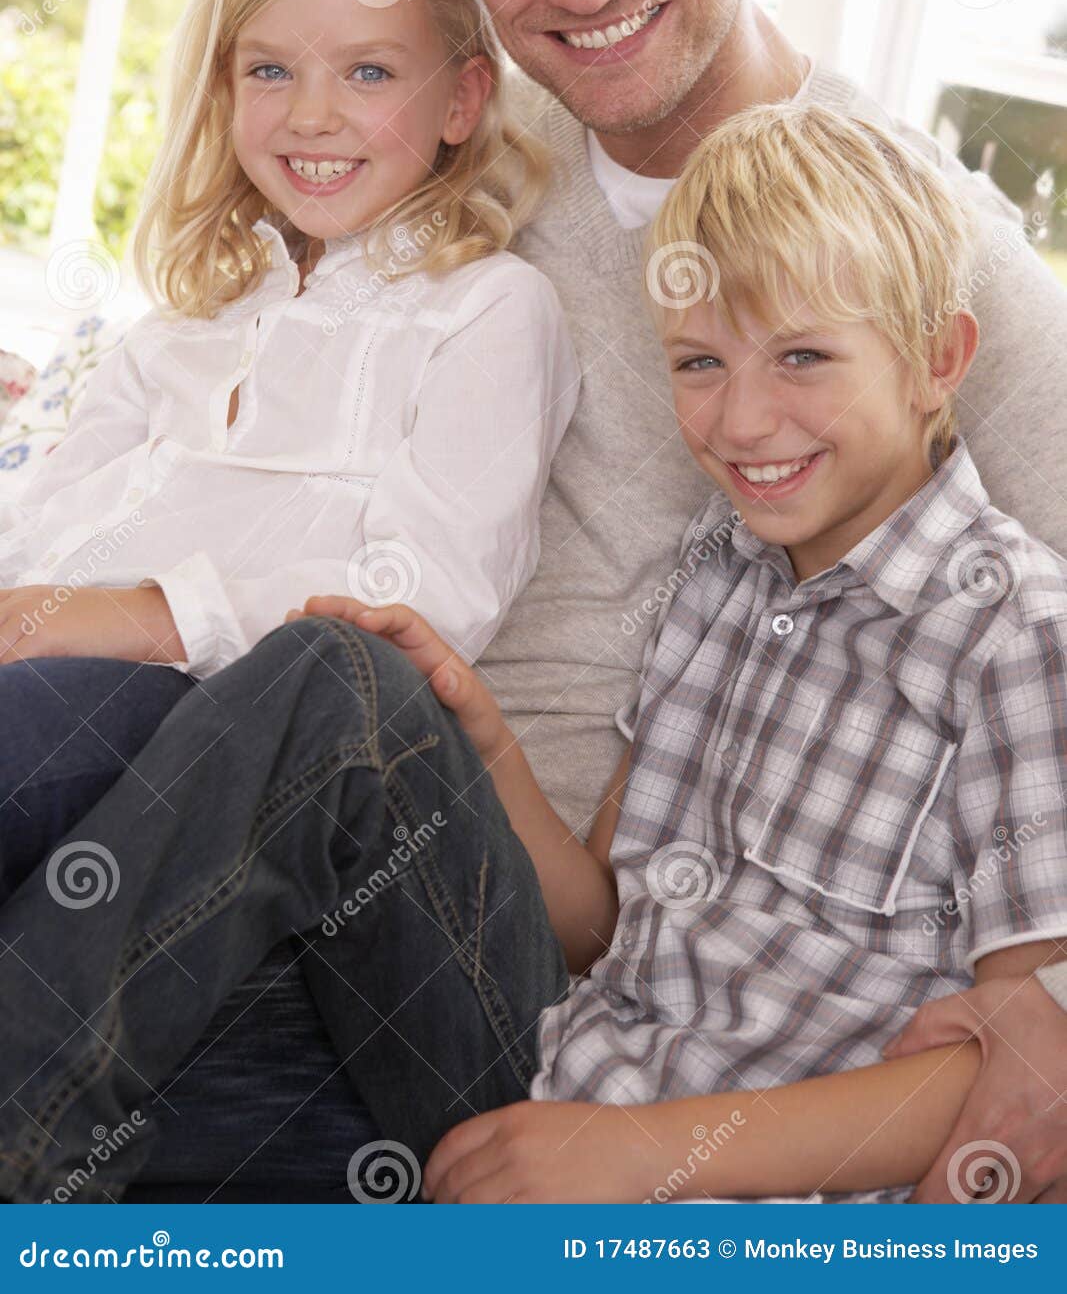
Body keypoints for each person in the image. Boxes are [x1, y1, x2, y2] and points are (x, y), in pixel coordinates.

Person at [5, 0, 1067, 1198]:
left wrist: (1042, 996)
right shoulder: (446, 133)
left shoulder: (912, 248)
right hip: (278, 883)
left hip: (525, 995)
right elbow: (235, 336)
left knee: (325, 678)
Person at [2, 103, 1064, 1205]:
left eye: (802, 357)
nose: (743, 421)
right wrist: (483, 748)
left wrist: (641, 1154)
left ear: (936, 358)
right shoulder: (721, 573)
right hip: (540, 1082)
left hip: (726, 1197)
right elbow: (602, 924)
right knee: (340, 675)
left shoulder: (1014, 634)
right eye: (698, 362)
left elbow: (1011, 1077)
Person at [0, 0, 579, 899]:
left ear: (460, 98)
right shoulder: (185, 315)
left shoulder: (486, 309)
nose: (312, 115)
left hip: (208, 718)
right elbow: (46, 516)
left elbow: (424, 599)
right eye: (269, 70)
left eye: (367, 74)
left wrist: (140, 615)